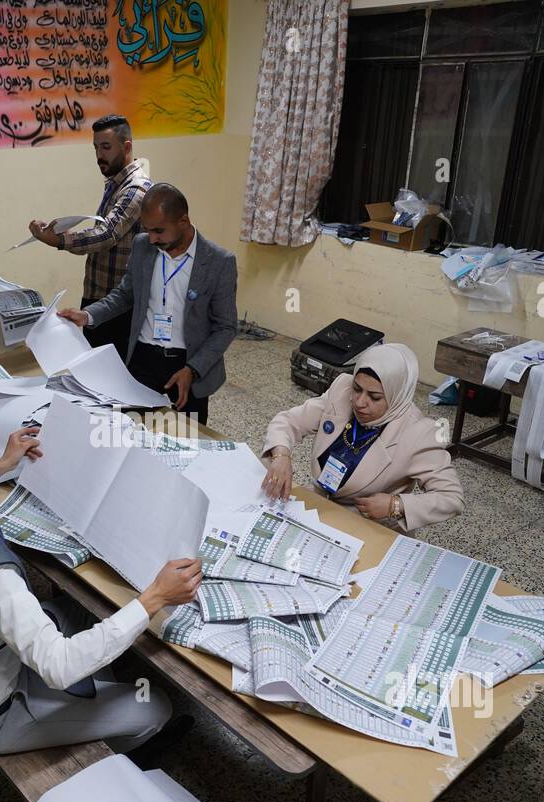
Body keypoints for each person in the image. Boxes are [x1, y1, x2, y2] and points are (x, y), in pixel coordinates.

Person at [0, 407, 202, 764]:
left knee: (75, 611)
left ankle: (96, 694)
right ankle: (107, 764)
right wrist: (153, 598)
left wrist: (6, 464)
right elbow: (59, 668)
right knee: (155, 706)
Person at [56, 183, 237, 426]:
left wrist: (193, 369)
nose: (152, 238)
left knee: (186, 440)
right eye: (148, 230)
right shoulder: (143, 246)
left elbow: (225, 327)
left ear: (183, 221)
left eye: (159, 231)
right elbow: (124, 295)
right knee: (130, 434)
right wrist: (87, 315)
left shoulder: (219, 262)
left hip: (187, 365)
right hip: (142, 359)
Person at [260, 343, 464, 531]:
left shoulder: (419, 432)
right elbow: (288, 421)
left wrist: (396, 505)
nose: (359, 402)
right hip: (320, 508)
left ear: (396, 395)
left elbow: (451, 498)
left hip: (369, 525)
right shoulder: (342, 390)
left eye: (374, 397)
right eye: (357, 389)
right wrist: (281, 457)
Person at [27, 114, 150, 361]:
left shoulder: (135, 189)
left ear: (126, 147)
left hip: (117, 302)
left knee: (111, 374)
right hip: (98, 294)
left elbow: (107, 233)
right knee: (94, 368)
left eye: (106, 147)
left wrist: (60, 240)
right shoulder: (115, 183)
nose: (99, 155)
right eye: (95, 147)